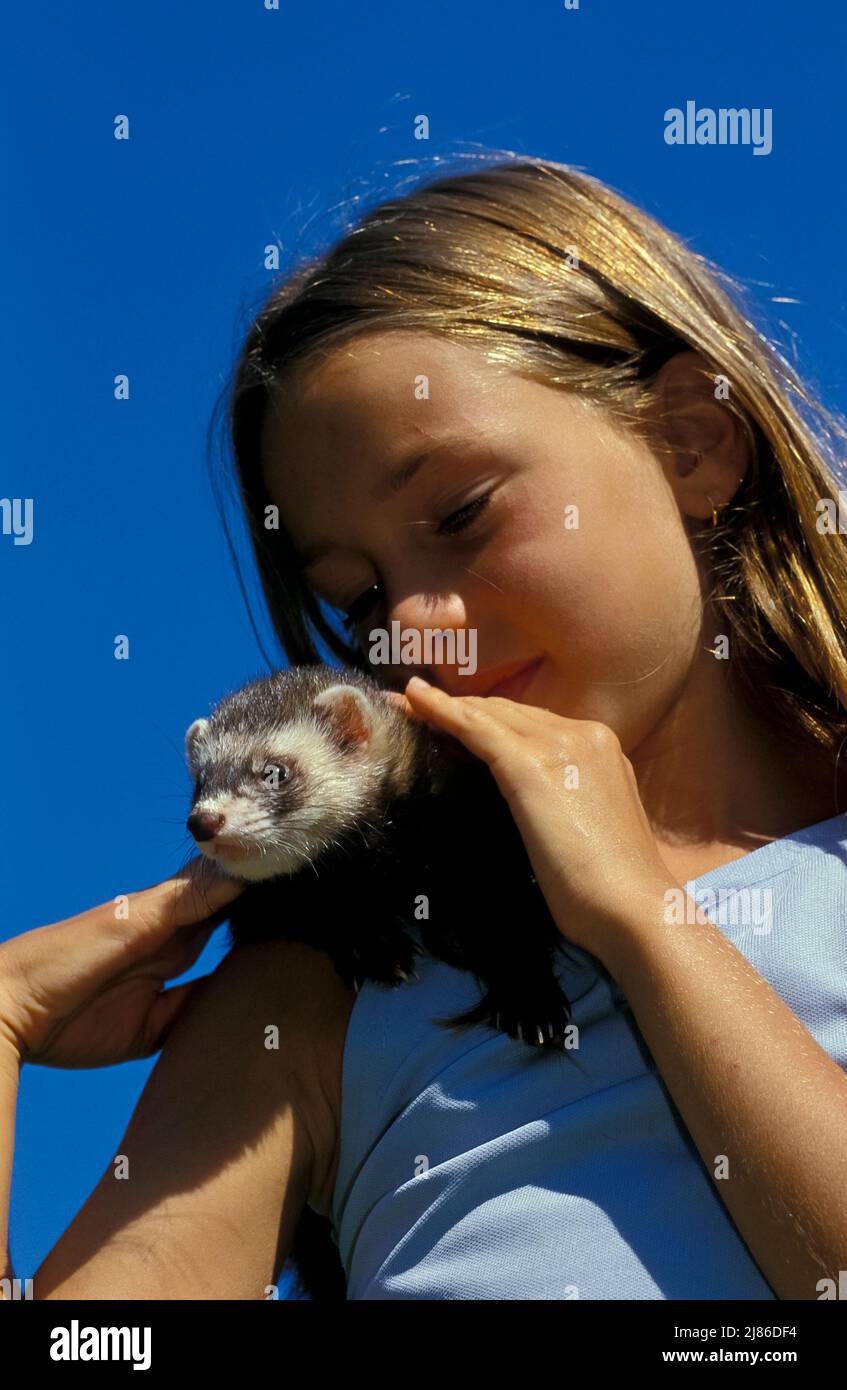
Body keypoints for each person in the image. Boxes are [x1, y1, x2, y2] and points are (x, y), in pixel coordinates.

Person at [2, 155, 847, 1300]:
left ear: (693, 443)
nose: (409, 626)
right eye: (355, 598)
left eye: (458, 513)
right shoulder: (330, 984)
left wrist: (646, 923)